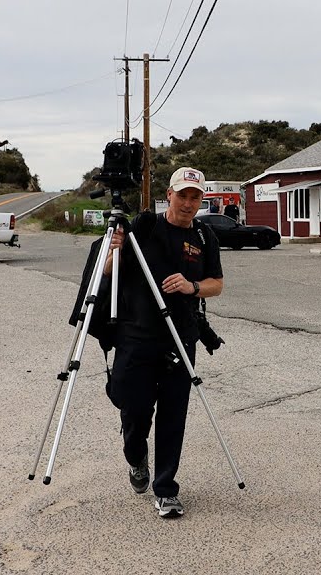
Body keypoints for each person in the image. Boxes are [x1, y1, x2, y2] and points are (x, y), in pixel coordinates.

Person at [102, 166, 223, 518]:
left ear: (202, 199)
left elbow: (217, 283)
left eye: (195, 196)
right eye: (182, 195)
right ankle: (136, 456)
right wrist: (116, 249)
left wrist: (192, 286)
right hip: (136, 337)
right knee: (135, 411)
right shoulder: (144, 227)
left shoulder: (204, 237)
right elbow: (109, 271)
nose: (188, 203)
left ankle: (166, 489)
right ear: (168, 195)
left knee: (173, 416)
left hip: (180, 338)